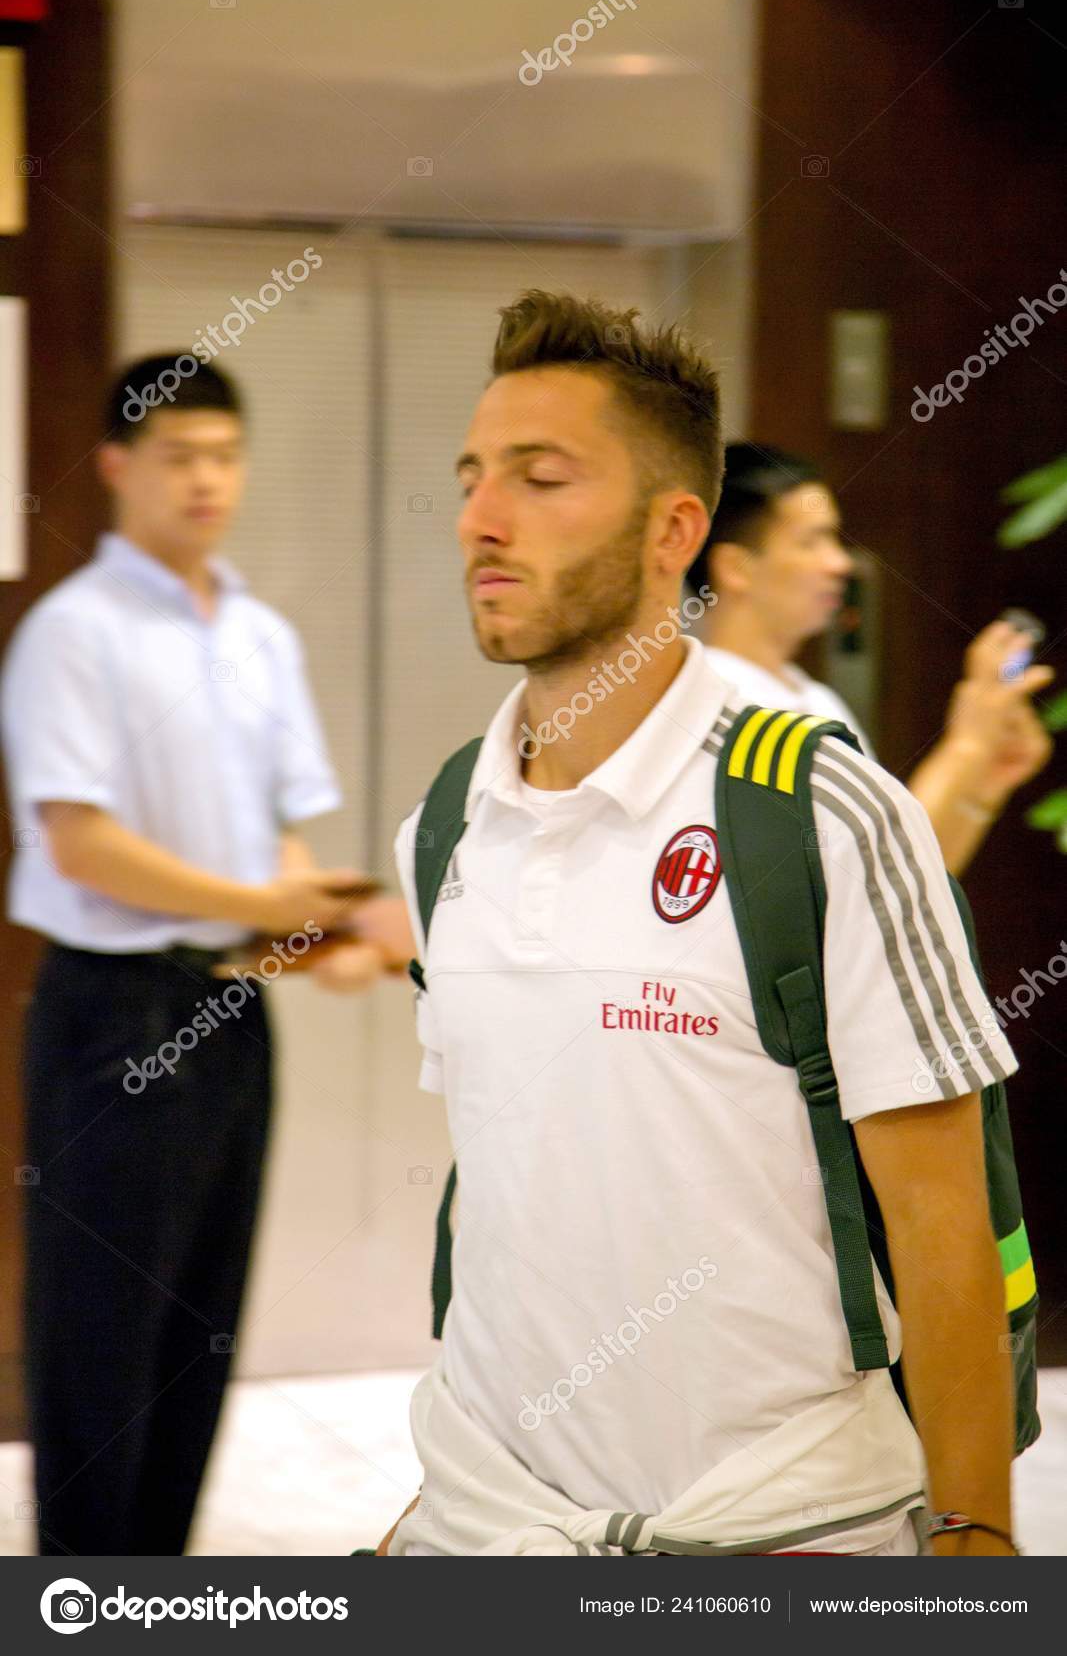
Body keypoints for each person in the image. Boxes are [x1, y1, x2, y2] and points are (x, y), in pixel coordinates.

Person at [378, 291, 1019, 1558]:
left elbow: (944, 1222)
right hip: (494, 1518)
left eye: (540, 478)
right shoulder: (447, 824)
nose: (479, 520)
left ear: (674, 528)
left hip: (785, 1525)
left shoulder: (819, 810)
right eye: (471, 478)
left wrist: (974, 1533)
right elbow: (505, 1180)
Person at [1, 355, 387, 1556]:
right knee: (100, 1333)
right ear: (118, 466)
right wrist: (268, 901)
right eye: (178, 455)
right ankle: (84, 1589)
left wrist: (310, 927)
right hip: (114, 1011)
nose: (205, 478)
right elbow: (82, 845)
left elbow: (280, 833)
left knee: (196, 1322)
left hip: (228, 1012)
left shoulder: (260, 634)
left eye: (223, 453)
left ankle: (159, 1578)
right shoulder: (75, 632)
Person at [684, 444, 1053, 875]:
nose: (839, 563)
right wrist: (967, 744)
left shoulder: (814, 697)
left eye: (835, 540)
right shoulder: (718, 698)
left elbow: (904, 887)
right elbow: (869, 869)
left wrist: (979, 786)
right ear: (736, 567)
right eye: (811, 541)